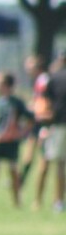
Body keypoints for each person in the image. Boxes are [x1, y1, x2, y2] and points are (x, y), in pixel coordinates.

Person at [0, 71, 33, 208]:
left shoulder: (16, 103)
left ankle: (17, 202)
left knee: (13, 173)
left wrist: (21, 133)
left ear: (5, 85)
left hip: (11, 142)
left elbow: (30, 120)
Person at [35, 54, 66, 212]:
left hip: (57, 124)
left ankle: (56, 202)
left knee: (56, 162)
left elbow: (44, 103)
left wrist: (44, 123)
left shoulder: (52, 78)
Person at [20, 54, 51, 188]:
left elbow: (46, 100)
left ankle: (26, 184)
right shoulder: (38, 80)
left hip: (43, 121)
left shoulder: (44, 80)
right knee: (29, 153)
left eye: (29, 66)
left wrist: (37, 109)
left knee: (43, 156)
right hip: (37, 120)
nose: (27, 69)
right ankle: (20, 181)